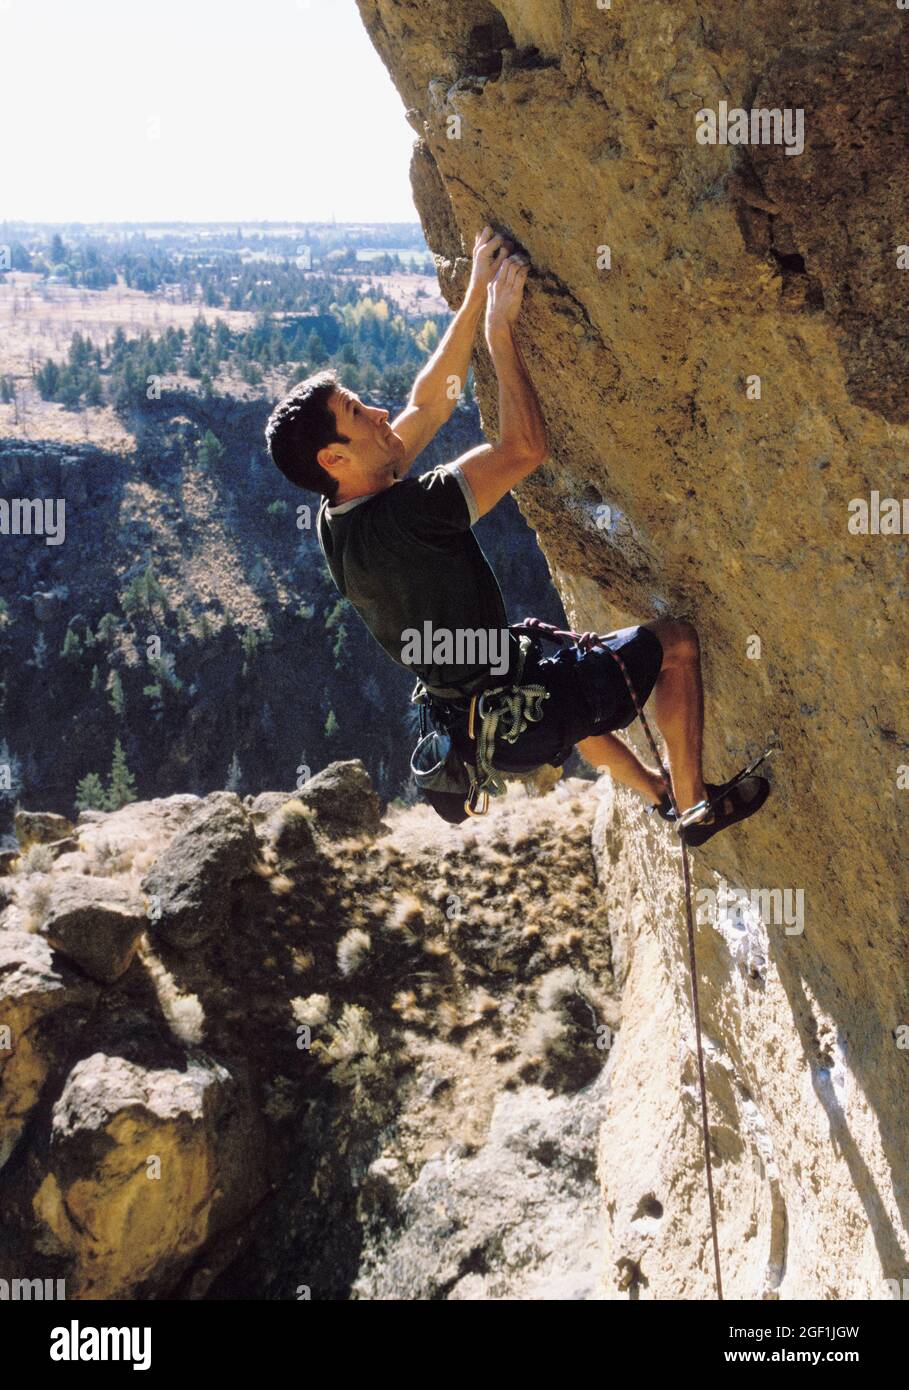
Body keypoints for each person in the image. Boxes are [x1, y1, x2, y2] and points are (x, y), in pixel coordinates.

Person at [265, 227, 769, 843]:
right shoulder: (408, 515)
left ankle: (659, 792)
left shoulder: (336, 516)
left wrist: (477, 292)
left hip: (471, 713)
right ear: (333, 459)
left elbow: (429, 406)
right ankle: (694, 809)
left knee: (565, 679)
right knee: (677, 644)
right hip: (518, 712)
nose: (376, 412)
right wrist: (499, 335)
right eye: (356, 414)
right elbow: (525, 447)